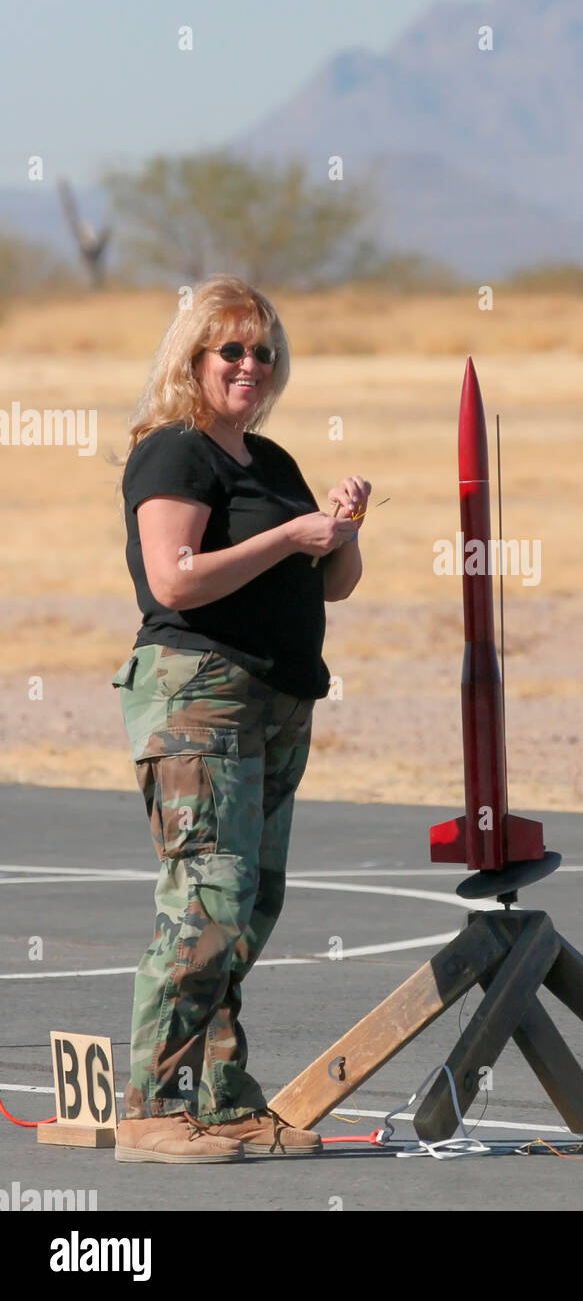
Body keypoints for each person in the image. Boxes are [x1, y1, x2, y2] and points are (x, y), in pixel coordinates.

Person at [111, 274, 370, 1163]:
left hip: (276, 697)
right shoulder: (175, 452)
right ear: (194, 359)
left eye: (263, 351)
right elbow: (176, 578)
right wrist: (281, 539)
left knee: (251, 901)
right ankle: (150, 1106)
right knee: (206, 897)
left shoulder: (272, 462)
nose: (249, 365)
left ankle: (220, 1097)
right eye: (231, 350)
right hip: (198, 692)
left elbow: (332, 582)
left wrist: (342, 529)